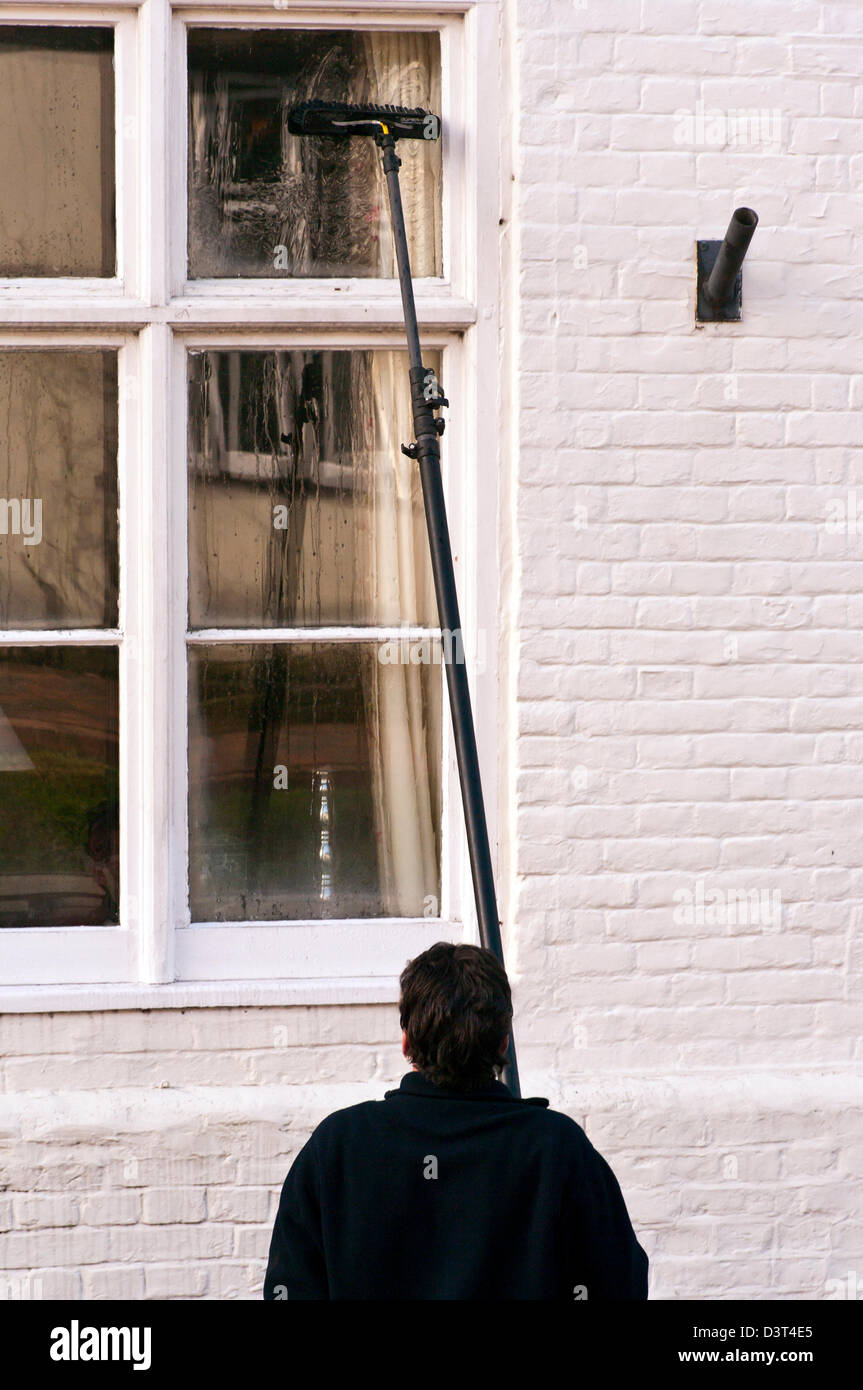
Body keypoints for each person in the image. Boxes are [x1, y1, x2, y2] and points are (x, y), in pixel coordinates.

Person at [264, 941, 648, 1300]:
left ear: (406, 1043)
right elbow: (620, 1284)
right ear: (502, 1043)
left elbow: (289, 1287)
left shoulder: (338, 1145)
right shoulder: (559, 1148)